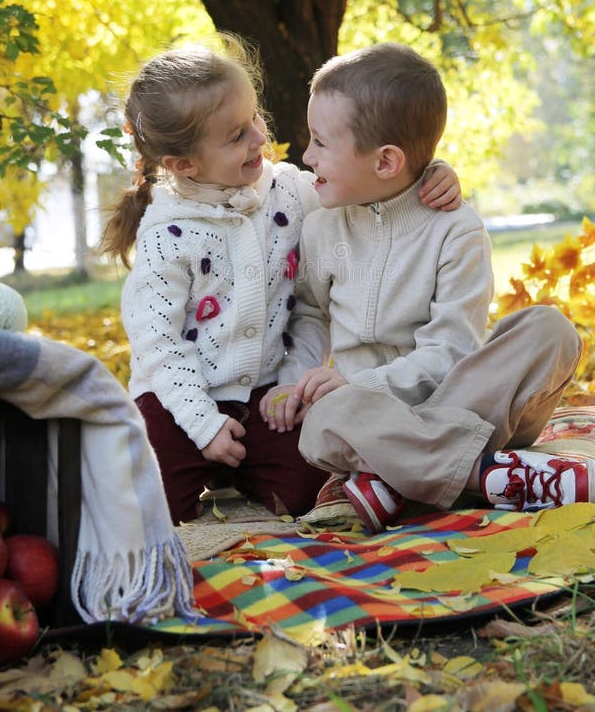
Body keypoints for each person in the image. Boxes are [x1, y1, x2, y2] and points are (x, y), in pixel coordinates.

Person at [101, 36, 462, 525]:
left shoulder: (291, 191)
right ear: (184, 164)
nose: (258, 138)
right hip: (178, 398)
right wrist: (203, 424)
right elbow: (158, 346)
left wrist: (431, 171)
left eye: (255, 118)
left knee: (304, 491)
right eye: (235, 136)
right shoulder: (167, 236)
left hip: (266, 393)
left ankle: (249, 473)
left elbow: (370, 181)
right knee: (151, 504)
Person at [260, 42, 589, 534]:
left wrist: (362, 382)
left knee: (553, 331)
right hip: (369, 416)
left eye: (320, 143)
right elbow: (308, 315)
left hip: (464, 399)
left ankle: (396, 480)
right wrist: (296, 380)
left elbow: (452, 351)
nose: (307, 155)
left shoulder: (455, 228)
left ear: (387, 161)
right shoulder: (321, 226)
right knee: (325, 421)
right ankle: (484, 476)